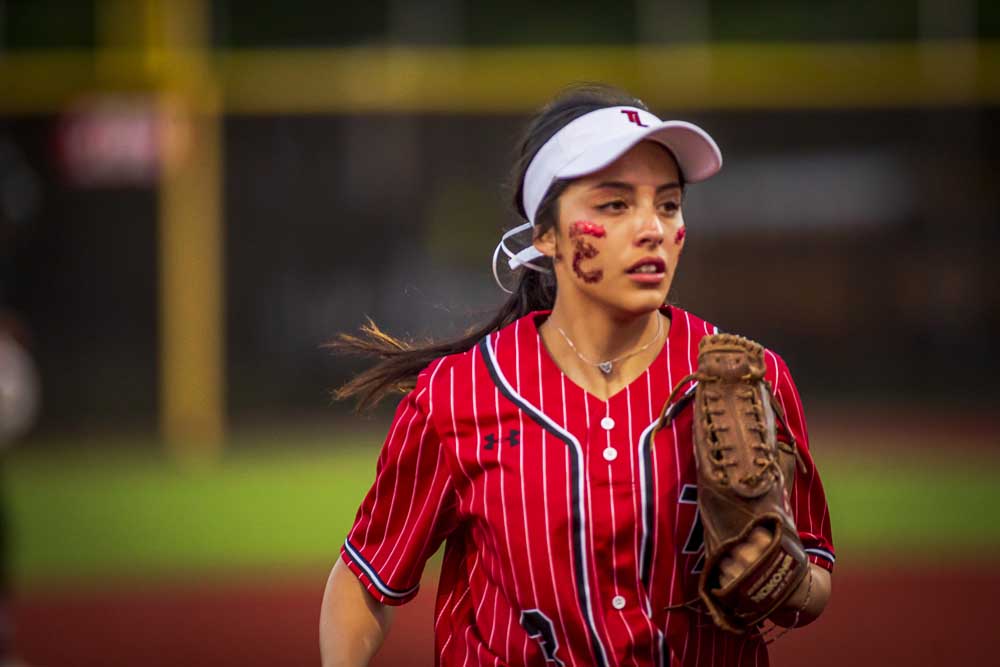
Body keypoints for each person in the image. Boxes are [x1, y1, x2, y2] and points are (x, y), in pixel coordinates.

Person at [320, 84, 835, 667]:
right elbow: (365, 578)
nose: (652, 229)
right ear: (547, 235)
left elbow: (814, 577)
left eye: (667, 204)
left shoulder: (749, 380)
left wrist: (785, 580)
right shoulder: (459, 395)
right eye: (615, 205)